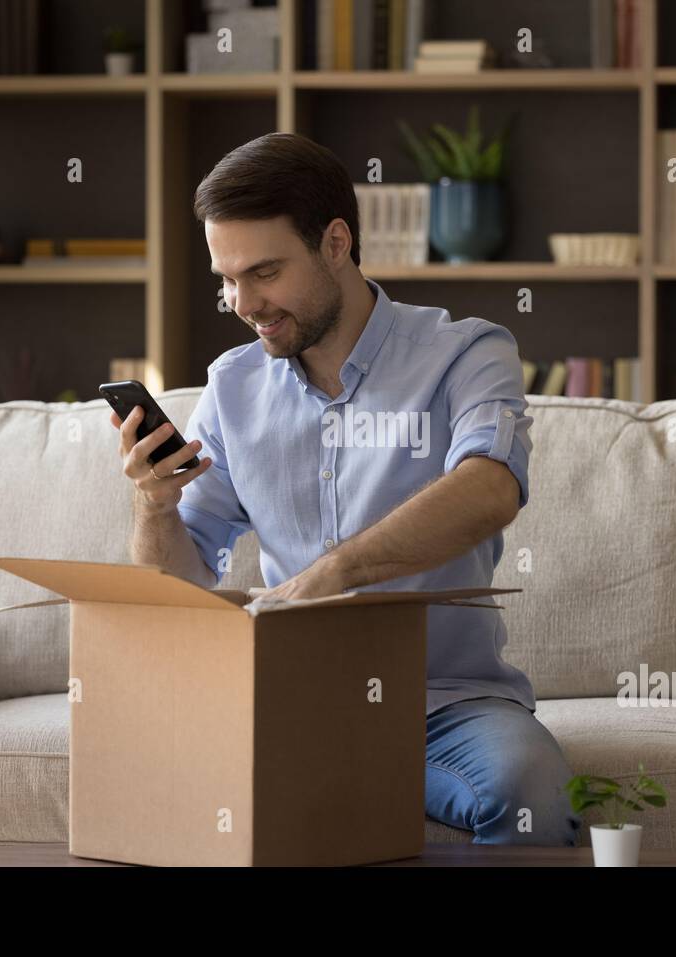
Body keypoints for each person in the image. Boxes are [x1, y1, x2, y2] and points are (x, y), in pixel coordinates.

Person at [110, 132, 581, 846]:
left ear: (336, 242)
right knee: (143, 776)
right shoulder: (232, 387)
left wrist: (333, 574)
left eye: (263, 272)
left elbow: (489, 487)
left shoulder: (469, 353)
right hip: (285, 703)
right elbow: (178, 582)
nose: (241, 301)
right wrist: (155, 504)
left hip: (446, 707)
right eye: (226, 278)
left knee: (530, 794)